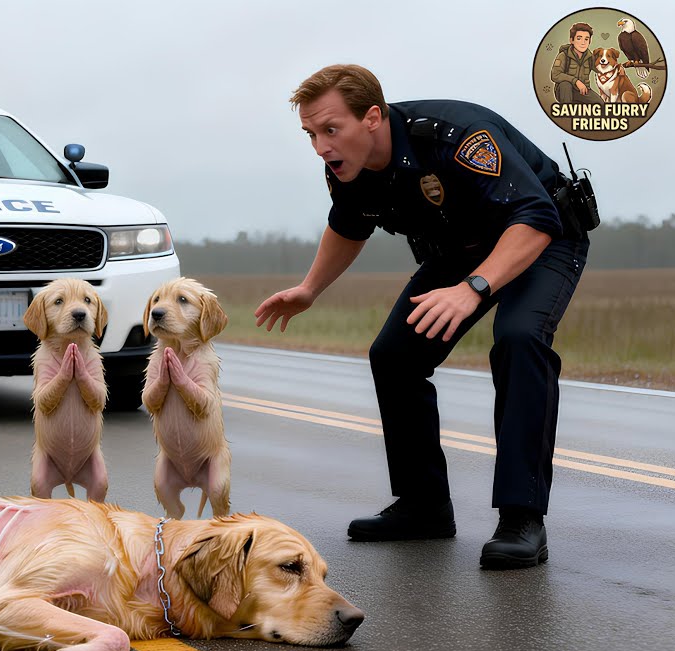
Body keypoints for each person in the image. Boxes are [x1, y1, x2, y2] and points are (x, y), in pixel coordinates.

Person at [255, 64, 590, 570]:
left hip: (542, 238)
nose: (321, 146)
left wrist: (473, 288)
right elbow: (348, 226)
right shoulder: (348, 168)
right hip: (461, 251)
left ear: (371, 117)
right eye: (311, 134)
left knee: (519, 339)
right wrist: (309, 289)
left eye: (330, 129)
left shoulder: (454, 137)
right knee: (394, 357)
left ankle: (523, 518)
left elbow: (536, 217)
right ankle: (424, 506)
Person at [551, 22, 601, 104]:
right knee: (565, 85)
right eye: (579, 38)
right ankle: (566, 111)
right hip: (565, 91)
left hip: (583, 91)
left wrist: (617, 68)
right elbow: (555, 75)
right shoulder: (564, 55)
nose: (583, 42)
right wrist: (576, 81)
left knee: (600, 105)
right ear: (572, 40)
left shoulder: (590, 57)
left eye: (586, 39)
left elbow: (600, 69)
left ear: (589, 41)